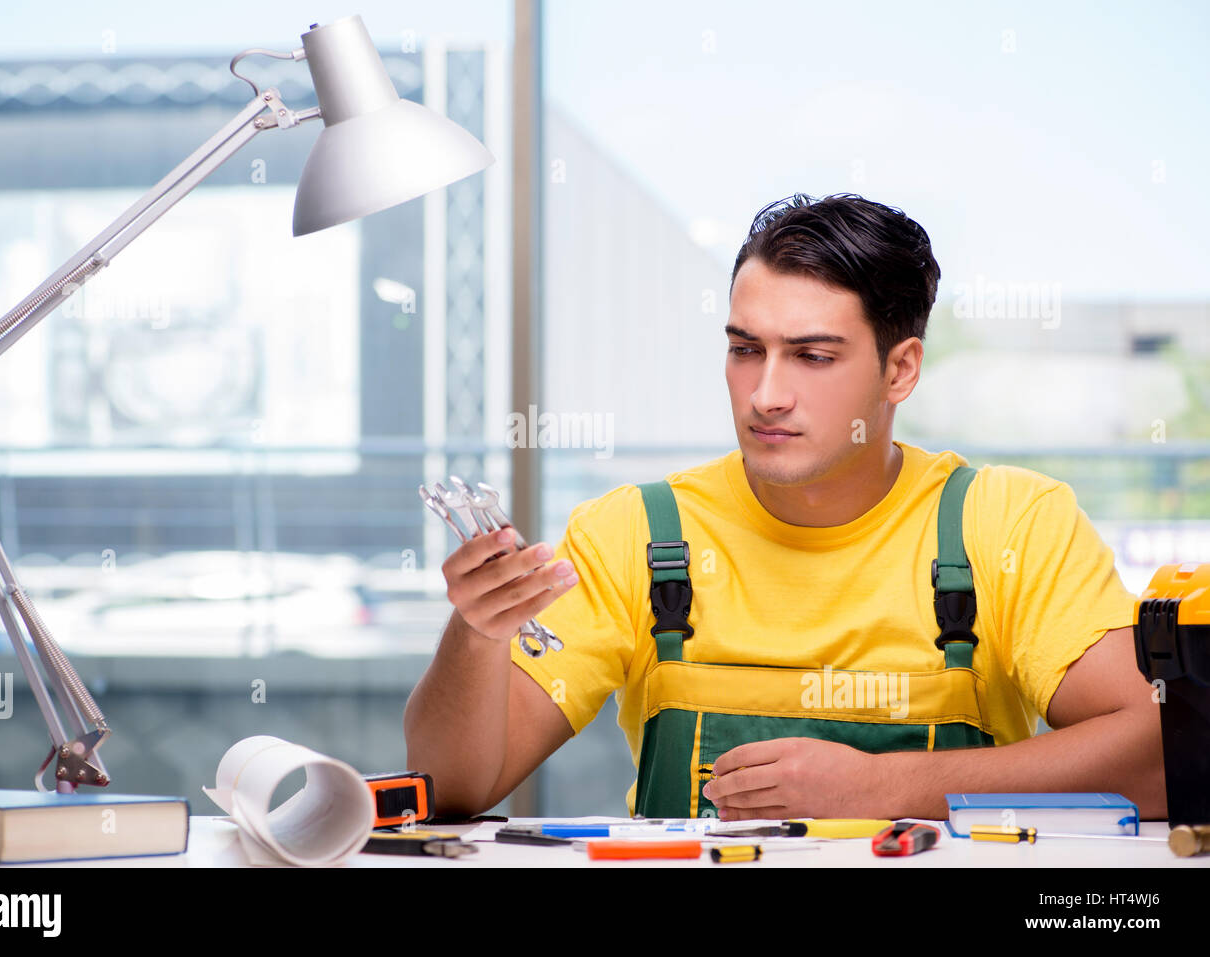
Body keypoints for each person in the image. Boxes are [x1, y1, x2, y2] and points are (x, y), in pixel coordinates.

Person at [403, 193, 1164, 821]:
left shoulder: (1006, 525)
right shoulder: (636, 532)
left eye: (812, 355)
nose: (766, 394)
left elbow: (1156, 759)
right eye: (744, 349)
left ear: (900, 370)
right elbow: (455, 787)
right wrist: (476, 635)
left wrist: (880, 789)